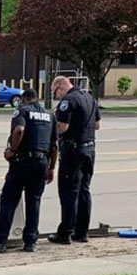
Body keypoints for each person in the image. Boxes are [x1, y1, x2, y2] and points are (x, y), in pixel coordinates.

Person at [0, 89, 57, 253]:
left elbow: (19, 130)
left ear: (24, 99)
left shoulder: (21, 111)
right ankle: (30, 242)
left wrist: (12, 150)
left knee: (9, 201)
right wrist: (51, 168)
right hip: (42, 162)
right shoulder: (50, 115)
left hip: (22, 161)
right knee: (34, 201)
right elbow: (54, 145)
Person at [47, 76, 100, 244]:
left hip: (73, 151)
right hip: (89, 149)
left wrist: (49, 132)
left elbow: (62, 127)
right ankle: (82, 232)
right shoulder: (89, 98)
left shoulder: (68, 101)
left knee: (69, 191)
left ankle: (65, 233)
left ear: (61, 87)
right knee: (84, 190)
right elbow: (97, 125)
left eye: (55, 93)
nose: (57, 96)